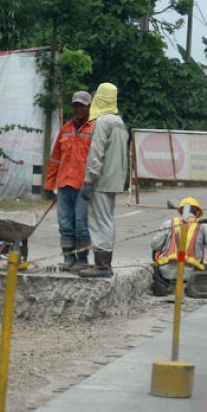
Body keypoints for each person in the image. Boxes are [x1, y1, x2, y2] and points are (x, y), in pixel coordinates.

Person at [78, 83, 129, 278]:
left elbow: (96, 152)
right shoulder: (119, 122)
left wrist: (89, 179)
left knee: (99, 221)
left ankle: (102, 265)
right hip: (114, 179)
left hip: (101, 179)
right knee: (107, 220)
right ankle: (105, 262)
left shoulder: (102, 122)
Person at [44, 91, 94, 271]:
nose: (78, 109)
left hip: (83, 185)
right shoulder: (65, 129)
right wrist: (49, 184)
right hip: (64, 184)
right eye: (76, 105)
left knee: (81, 224)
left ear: (89, 107)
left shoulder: (94, 129)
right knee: (65, 224)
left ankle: (82, 259)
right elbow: (55, 158)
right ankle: (68, 258)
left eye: (82, 106)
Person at [151, 197, 207, 289]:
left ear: (181, 211)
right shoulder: (204, 226)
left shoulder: (169, 223)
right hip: (191, 274)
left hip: (165, 273)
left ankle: (165, 286)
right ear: (197, 211)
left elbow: (155, 245)